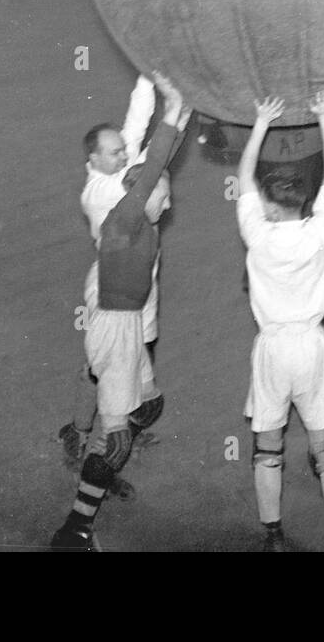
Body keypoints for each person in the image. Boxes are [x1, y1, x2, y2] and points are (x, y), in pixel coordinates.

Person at [51, 75, 189, 550]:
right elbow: (153, 169)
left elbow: (154, 158)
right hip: (115, 322)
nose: (169, 203)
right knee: (116, 443)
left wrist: (179, 98)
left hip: (125, 309)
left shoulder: (133, 198)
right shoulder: (116, 208)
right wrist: (172, 112)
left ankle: (91, 443)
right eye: (164, 197)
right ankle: (76, 528)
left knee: (147, 405)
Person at [237, 89, 324, 552]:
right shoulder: (320, 233)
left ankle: (273, 536)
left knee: (269, 448)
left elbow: (245, 174)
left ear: (269, 206)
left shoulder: (257, 237)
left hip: (272, 349)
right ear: (303, 204)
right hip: (313, 347)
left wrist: (262, 122)